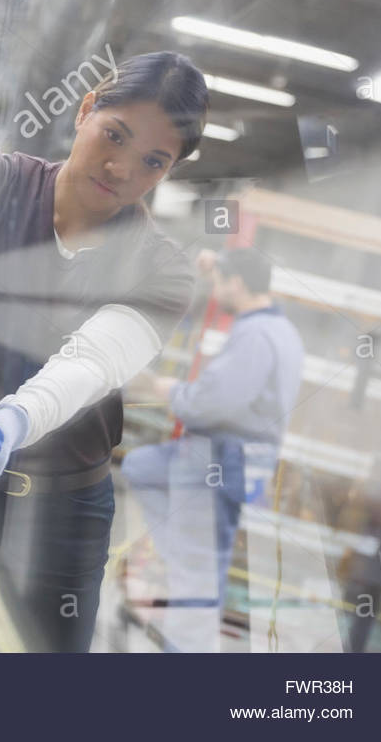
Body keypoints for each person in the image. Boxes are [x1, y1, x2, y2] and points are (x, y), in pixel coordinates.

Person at [0, 50, 209, 654]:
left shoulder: (164, 269)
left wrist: (14, 420)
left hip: (66, 505)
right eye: (114, 135)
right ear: (85, 108)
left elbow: (92, 362)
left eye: (153, 161)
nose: (122, 168)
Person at [122, 247, 304, 649]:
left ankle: (186, 651)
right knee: (141, 467)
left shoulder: (255, 335)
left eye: (220, 281)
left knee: (199, 564)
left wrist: (168, 389)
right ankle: (180, 570)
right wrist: (212, 262)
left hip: (222, 458)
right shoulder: (280, 330)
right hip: (237, 458)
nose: (215, 289)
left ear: (236, 283)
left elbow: (214, 403)